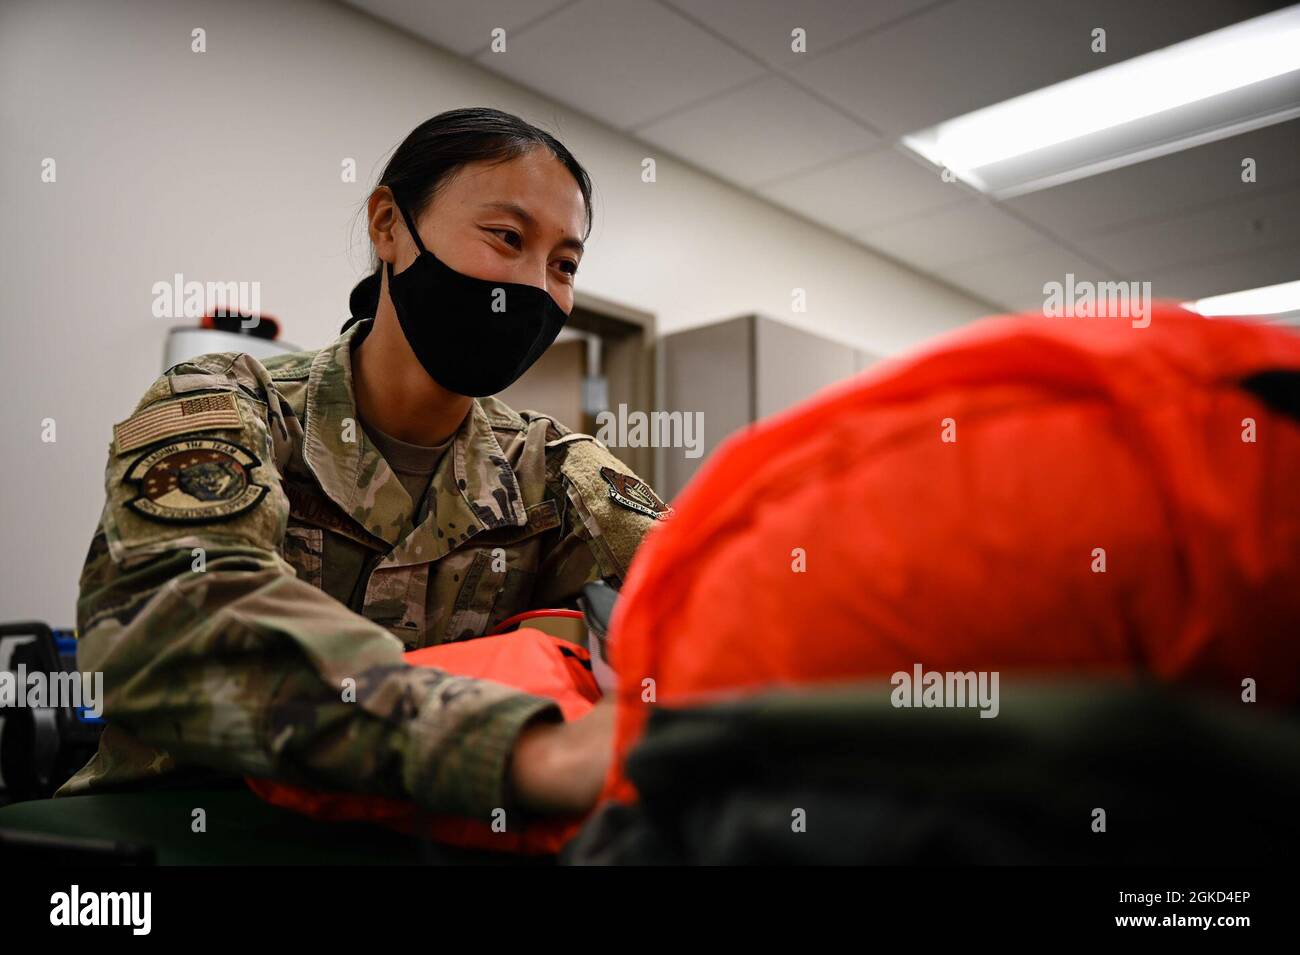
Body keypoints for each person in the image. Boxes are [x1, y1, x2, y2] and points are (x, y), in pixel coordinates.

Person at [55, 107, 670, 821]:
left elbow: (708, 601)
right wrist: (519, 753)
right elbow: (175, 628)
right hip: (186, 827)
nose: (534, 286)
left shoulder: (554, 470)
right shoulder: (224, 402)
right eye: (507, 238)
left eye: (564, 265)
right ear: (389, 227)